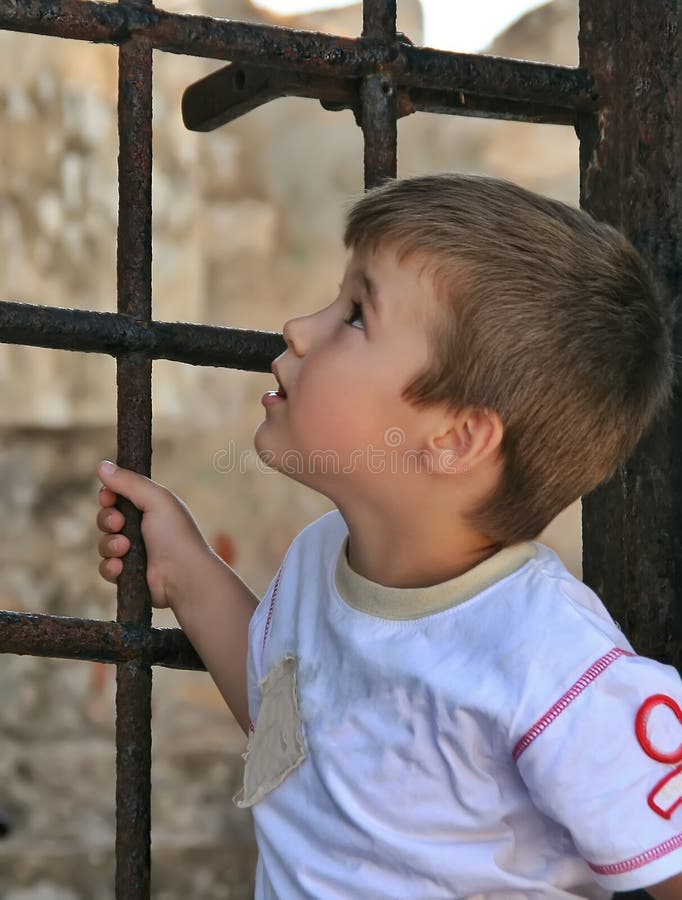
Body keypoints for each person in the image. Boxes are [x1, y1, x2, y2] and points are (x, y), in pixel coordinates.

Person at [96, 174, 682, 899]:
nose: (299, 328)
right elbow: (293, 740)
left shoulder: (549, 657)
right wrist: (186, 570)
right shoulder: (318, 560)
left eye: (354, 315)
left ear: (457, 437)